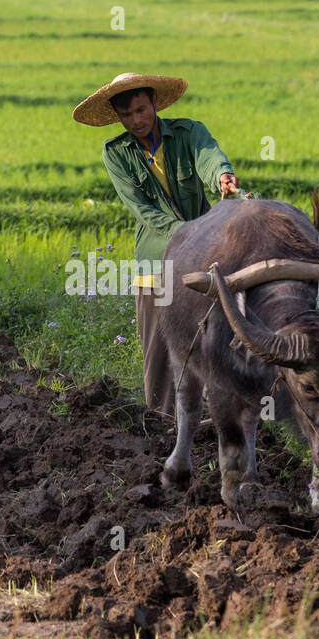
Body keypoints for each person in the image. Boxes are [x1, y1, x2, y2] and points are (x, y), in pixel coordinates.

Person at [72, 72, 239, 420]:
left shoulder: (188, 133)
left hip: (203, 257)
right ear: (118, 118)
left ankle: (211, 414)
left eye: (141, 109)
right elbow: (142, 210)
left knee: (213, 335)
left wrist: (222, 176)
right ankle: (161, 421)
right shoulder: (116, 153)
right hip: (155, 261)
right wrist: (190, 233)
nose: (136, 120)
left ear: (154, 104)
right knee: (159, 347)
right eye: (127, 115)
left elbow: (209, 158)